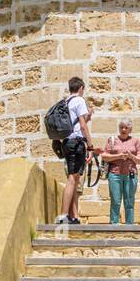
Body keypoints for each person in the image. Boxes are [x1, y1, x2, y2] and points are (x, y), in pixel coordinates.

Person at [55, 76, 98, 226]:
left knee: (75, 179)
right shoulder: (79, 101)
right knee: (72, 179)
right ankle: (63, 216)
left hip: (66, 143)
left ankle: (73, 217)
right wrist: (91, 146)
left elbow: (76, 124)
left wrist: (87, 117)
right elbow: (82, 126)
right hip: (76, 143)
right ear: (81, 88)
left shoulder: (66, 102)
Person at [101, 118, 140, 225]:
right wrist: (119, 156)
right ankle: (113, 225)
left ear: (130, 129)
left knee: (129, 202)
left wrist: (131, 156)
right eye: (121, 127)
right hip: (115, 174)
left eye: (126, 127)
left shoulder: (135, 141)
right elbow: (104, 156)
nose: (123, 129)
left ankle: (129, 226)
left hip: (131, 175)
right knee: (115, 201)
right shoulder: (112, 140)